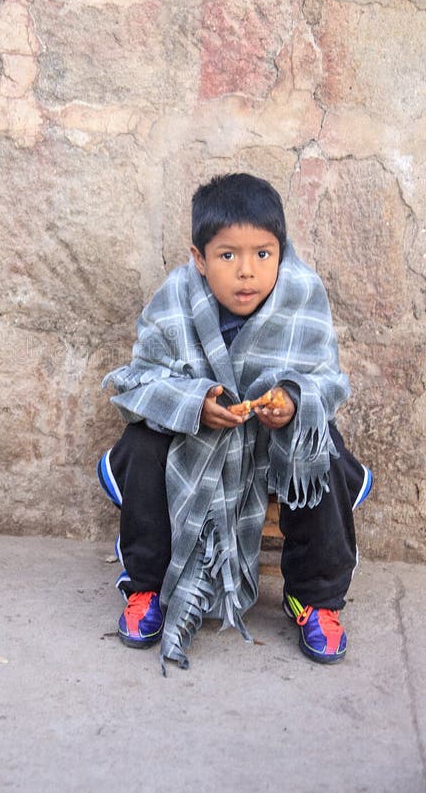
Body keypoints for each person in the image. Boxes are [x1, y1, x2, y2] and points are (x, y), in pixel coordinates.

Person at [97, 173, 372, 670]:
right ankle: (147, 587)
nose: (247, 272)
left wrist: (291, 401)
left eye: (262, 254)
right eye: (228, 256)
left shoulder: (302, 293)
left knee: (320, 445)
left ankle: (316, 597)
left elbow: (325, 380)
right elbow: (140, 381)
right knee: (141, 441)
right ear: (199, 259)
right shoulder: (175, 297)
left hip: (270, 448)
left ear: (281, 252)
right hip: (196, 443)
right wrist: (193, 402)